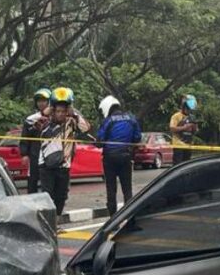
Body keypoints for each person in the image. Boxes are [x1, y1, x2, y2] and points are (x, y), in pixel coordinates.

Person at [35, 87, 90, 216]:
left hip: (64, 166)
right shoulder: (44, 122)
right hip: (46, 166)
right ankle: (48, 223)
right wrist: (45, 112)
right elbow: (31, 123)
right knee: (47, 196)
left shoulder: (71, 123)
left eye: (63, 111)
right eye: (57, 111)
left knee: (61, 196)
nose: (60, 114)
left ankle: (56, 221)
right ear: (53, 110)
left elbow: (86, 128)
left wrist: (74, 113)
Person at [96, 95, 142, 216]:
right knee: (127, 190)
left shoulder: (108, 121)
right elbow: (137, 138)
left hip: (109, 159)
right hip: (126, 156)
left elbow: (100, 141)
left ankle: (113, 220)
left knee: (111, 190)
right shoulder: (131, 119)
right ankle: (130, 220)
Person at [20, 88, 52, 194]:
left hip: (50, 155)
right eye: (39, 101)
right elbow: (25, 137)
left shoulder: (56, 118)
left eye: (44, 100)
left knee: (48, 181)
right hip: (35, 154)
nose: (41, 103)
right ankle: (32, 202)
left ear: (49, 102)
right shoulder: (31, 119)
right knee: (32, 179)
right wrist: (24, 154)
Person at [169, 94, 198, 165]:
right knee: (177, 165)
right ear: (183, 106)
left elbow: (195, 131)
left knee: (187, 165)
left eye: (189, 109)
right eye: (187, 109)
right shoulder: (176, 116)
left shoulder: (192, 117)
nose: (188, 111)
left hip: (188, 144)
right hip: (178, 145)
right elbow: (172, 129)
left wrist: (194, 127)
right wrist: (185, 127)